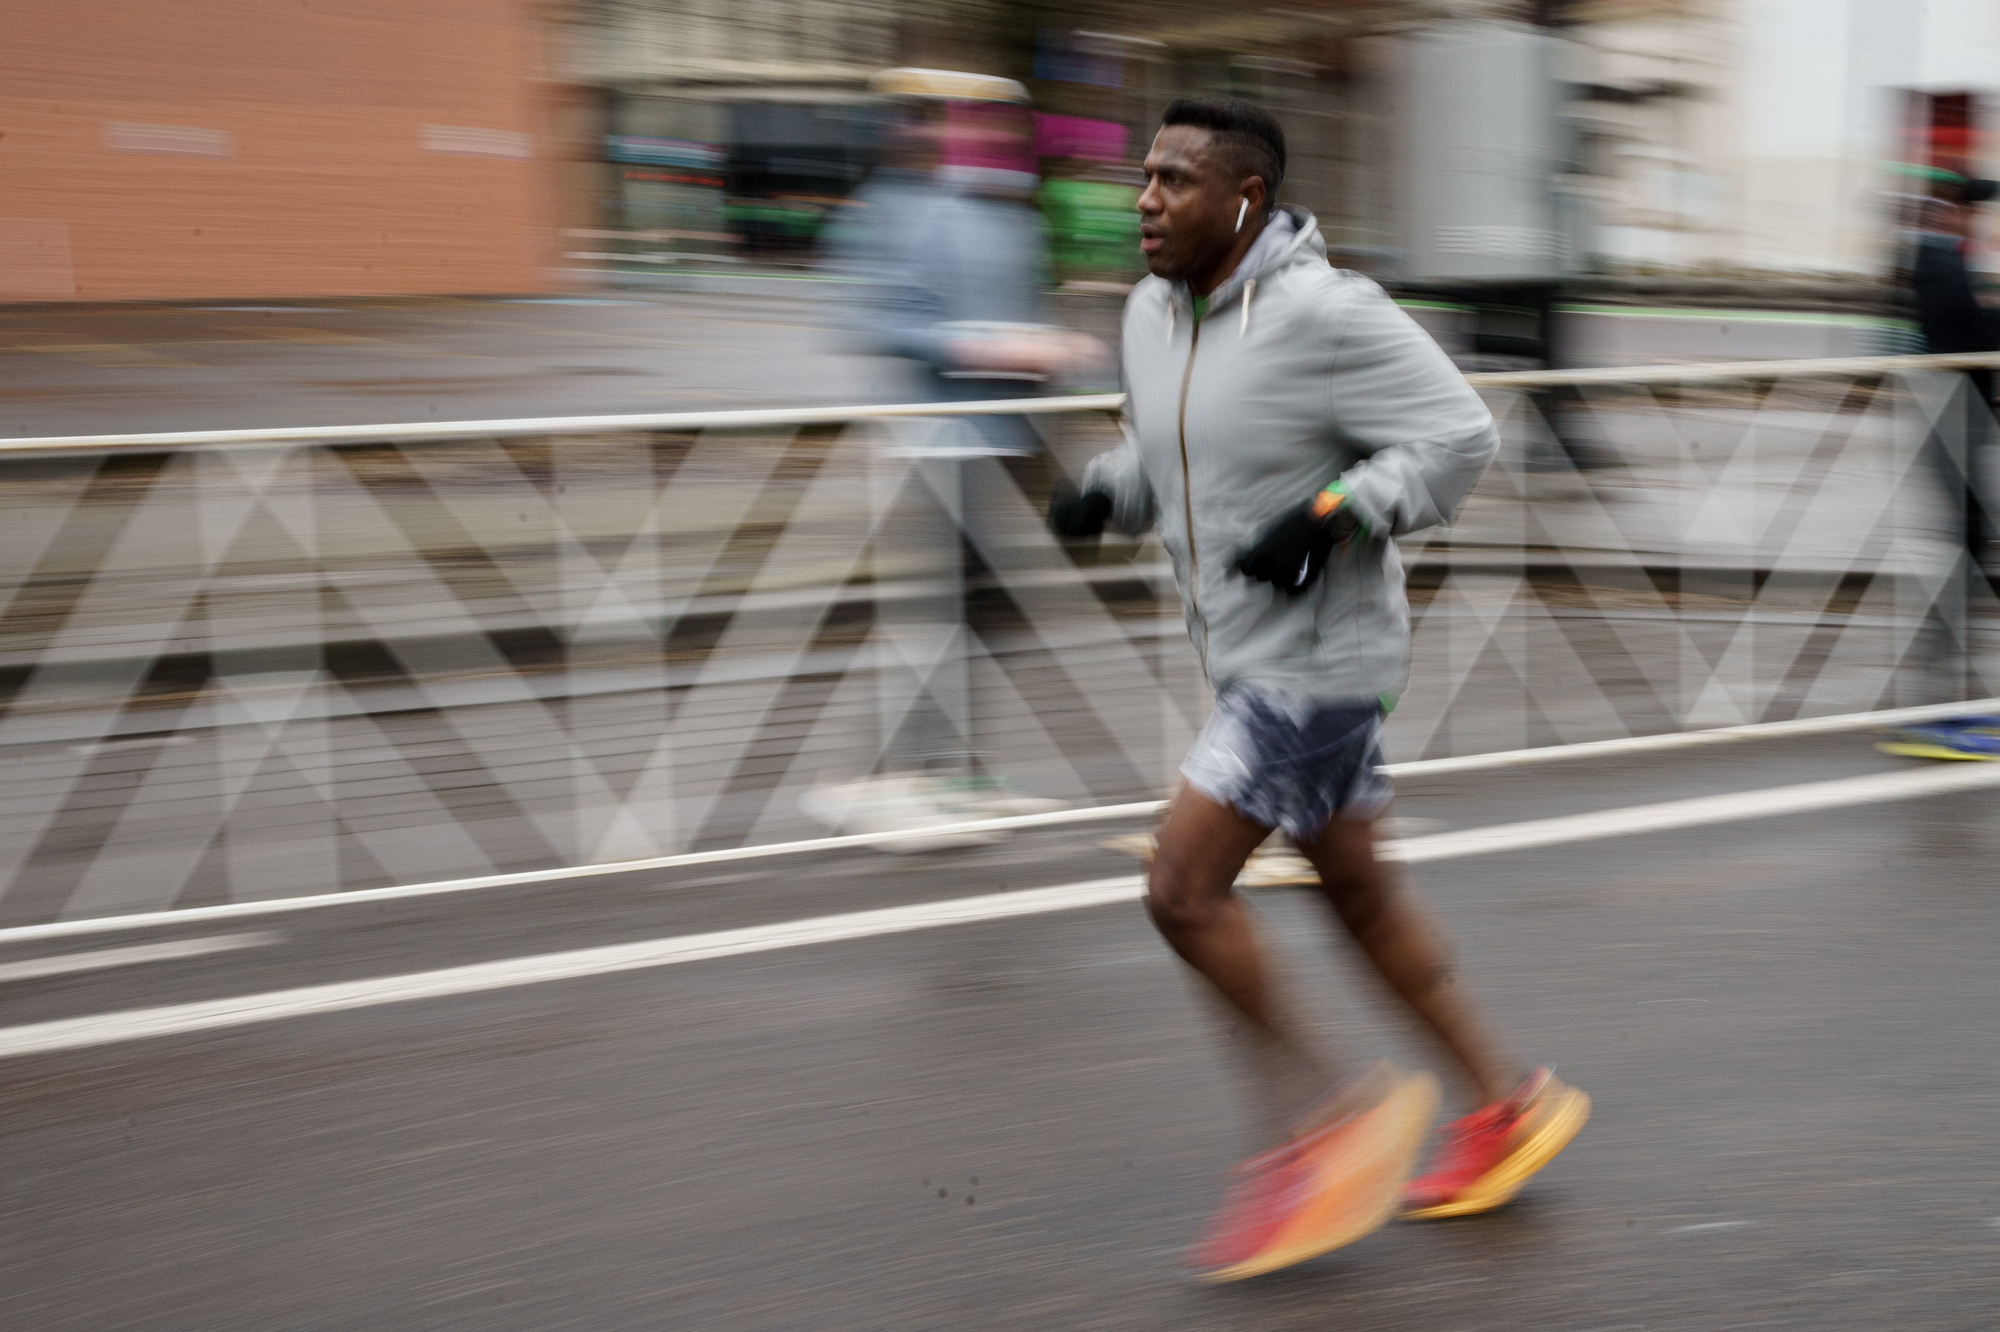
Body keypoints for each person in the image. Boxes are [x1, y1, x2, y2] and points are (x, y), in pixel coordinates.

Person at [1049, 96, 1589, 1280]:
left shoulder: (1327, 314)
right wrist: (1107, 490)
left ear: (1240, 199)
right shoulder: (1149, 314)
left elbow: (1457, 437)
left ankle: (1326, 1129)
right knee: (1359, 898)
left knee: (1181, 889)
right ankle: (1509, 1102)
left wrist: (1336, 511)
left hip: (1316, 665)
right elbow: (1167, 444)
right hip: (1242, 652)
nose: (1144, 199)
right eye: (1142, 177)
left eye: (1173, 180)